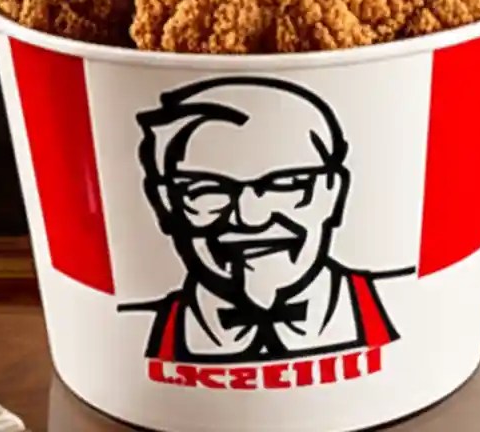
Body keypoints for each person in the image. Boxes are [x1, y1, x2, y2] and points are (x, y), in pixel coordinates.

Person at [121, 77, 410, 363]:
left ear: (333, 192)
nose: (251, 218)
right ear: (165, 203)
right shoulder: (123, 336)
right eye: (206, 190)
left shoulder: (409, 301)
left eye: (287, 184)